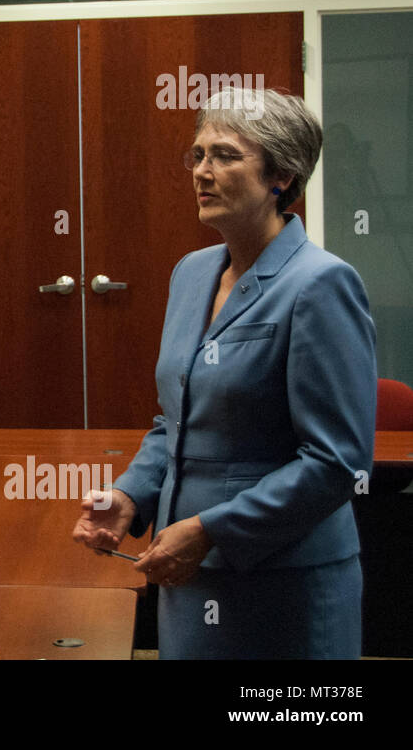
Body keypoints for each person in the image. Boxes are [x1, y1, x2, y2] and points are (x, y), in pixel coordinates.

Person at [73, 87, 376, 659]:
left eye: (225, 156)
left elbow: (337, 463)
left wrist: (212, 530)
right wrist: (130, 496)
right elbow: (178, 420)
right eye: (197, 155)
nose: (201, 172)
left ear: (281, 176)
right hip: (187, 569)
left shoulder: (320, 284)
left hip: (282, 579)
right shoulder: (191, 273)